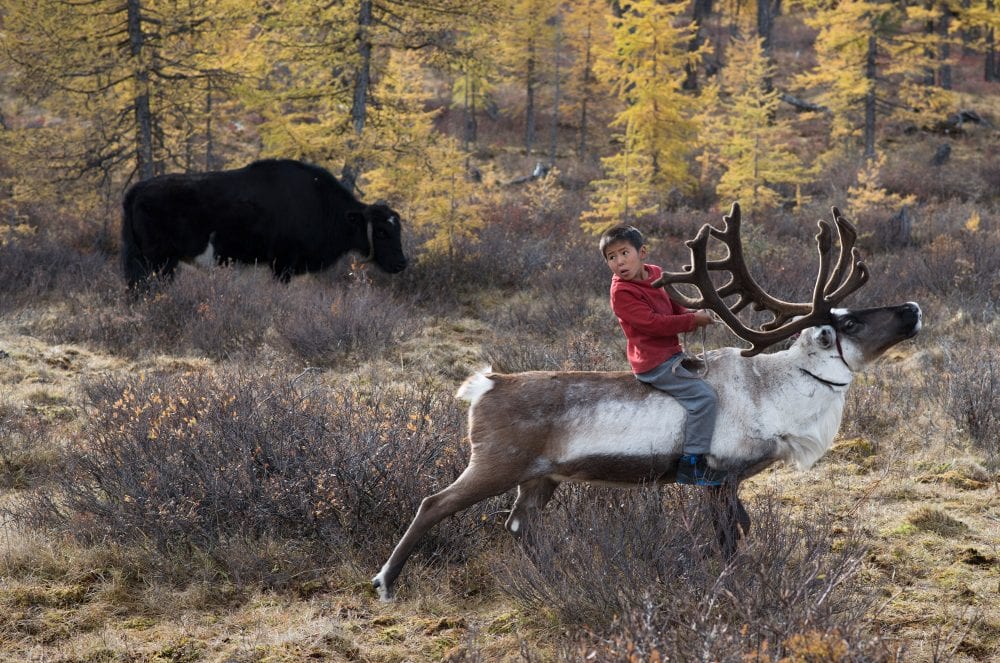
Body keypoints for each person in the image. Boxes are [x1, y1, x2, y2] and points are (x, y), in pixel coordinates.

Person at [599, 224, 726, 487]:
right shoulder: (621, 292)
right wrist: (691, 321)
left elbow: (675, 303)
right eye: (612, 257)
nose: (619, 262)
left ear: (642, 252)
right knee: (704, 398)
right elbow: (653, 324)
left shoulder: (656, 274)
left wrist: (695, 312)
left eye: (624, 253)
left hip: (672, 354)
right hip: (653, 363)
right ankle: (692, 463)